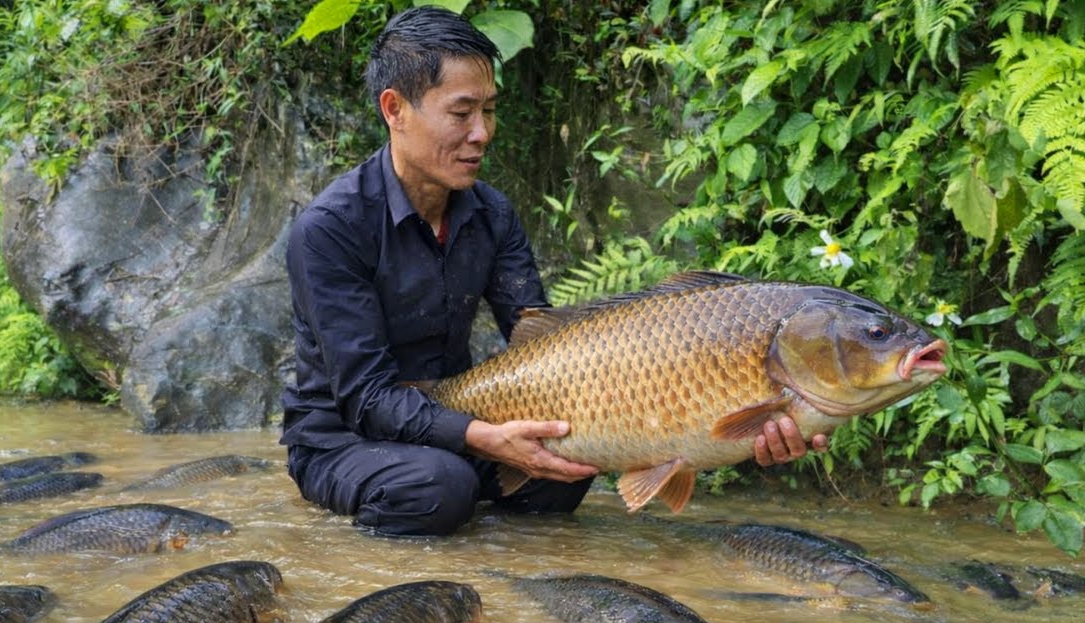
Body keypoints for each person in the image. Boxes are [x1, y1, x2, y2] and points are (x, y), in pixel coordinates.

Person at [280, 6, 825, 537]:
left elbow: (541, 342)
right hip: (344, 439)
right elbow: (365, 397)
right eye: (462, 113)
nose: (482, 133)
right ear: (395, 109)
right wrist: (481, 437)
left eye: (489, 111)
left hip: (453, 417)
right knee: (439, 489)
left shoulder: (492, 214)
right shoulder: (330, 229)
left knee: (565, 474)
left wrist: (693, 422)